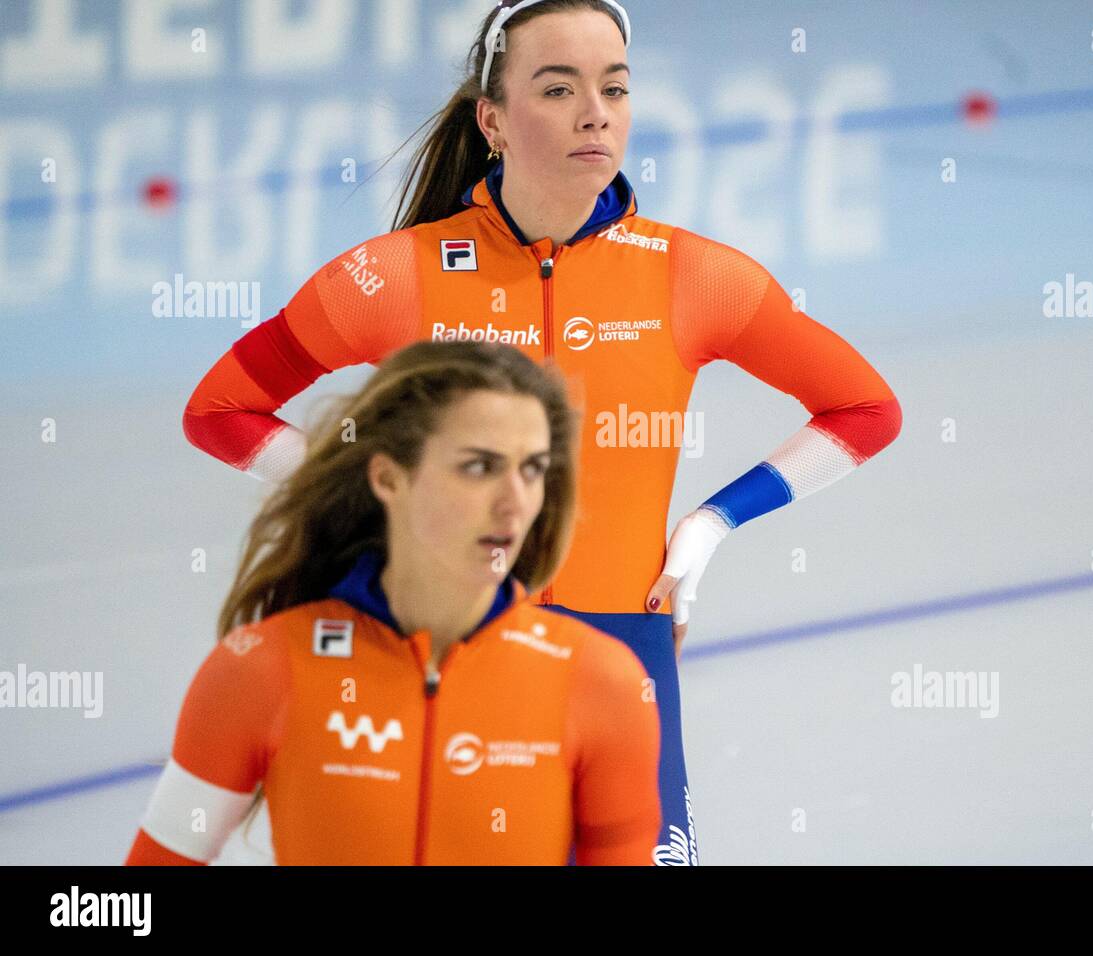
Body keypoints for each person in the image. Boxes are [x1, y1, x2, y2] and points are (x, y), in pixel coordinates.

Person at [181, 0, 902, 866]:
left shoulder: (694, 278)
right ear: (492, 119)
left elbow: (866, 411)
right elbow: (219, 411)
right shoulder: (393, 277)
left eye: (615, 87)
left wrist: (710, 526)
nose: (595, 112)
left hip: (621, 655)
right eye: (557, 88)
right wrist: (369, 498)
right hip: (443, 654)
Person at [128, 340, 661, 865]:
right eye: (479, 467)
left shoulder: (598, 681)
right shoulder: (261, 669)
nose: (514, 502)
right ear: (387, 477)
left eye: (532, 469)